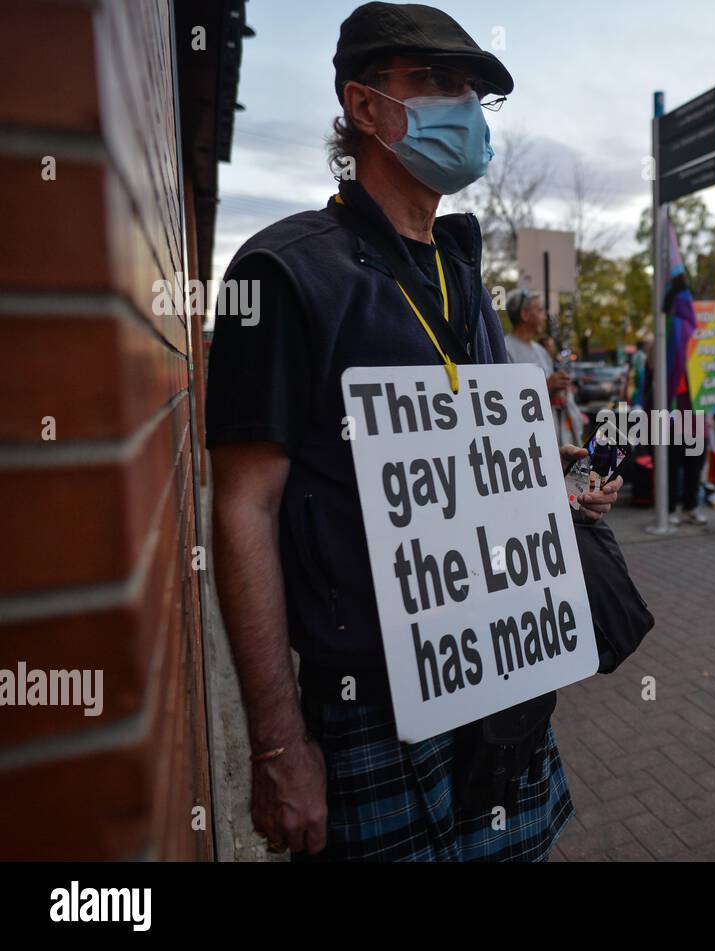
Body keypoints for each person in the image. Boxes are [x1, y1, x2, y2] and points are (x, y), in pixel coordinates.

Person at [204, 3, 621, 863]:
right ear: (363, 106)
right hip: (371, 705)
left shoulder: (463, 271)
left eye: (473, 89)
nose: (463, 105)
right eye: (434, 82)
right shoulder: (284, 271)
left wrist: (542, 483)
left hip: (501, 678)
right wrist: (280, 746)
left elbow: (470, 460)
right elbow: (246, 506)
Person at [503, 289, 582, 446]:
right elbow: (506, 400)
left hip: (549, 436)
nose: (544, 316)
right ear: (525, 315)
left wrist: (559, 390)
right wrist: (548, 385)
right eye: (539, 310)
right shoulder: (505, 349)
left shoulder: (540, 350)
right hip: (524, 442)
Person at [663, 265, 707, 525]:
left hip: (691, 414)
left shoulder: (696, 344)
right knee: (679, 464)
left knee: (689, 464)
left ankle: (685, 507)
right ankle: (675, 509)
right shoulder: (676, 335)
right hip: (677, 414)